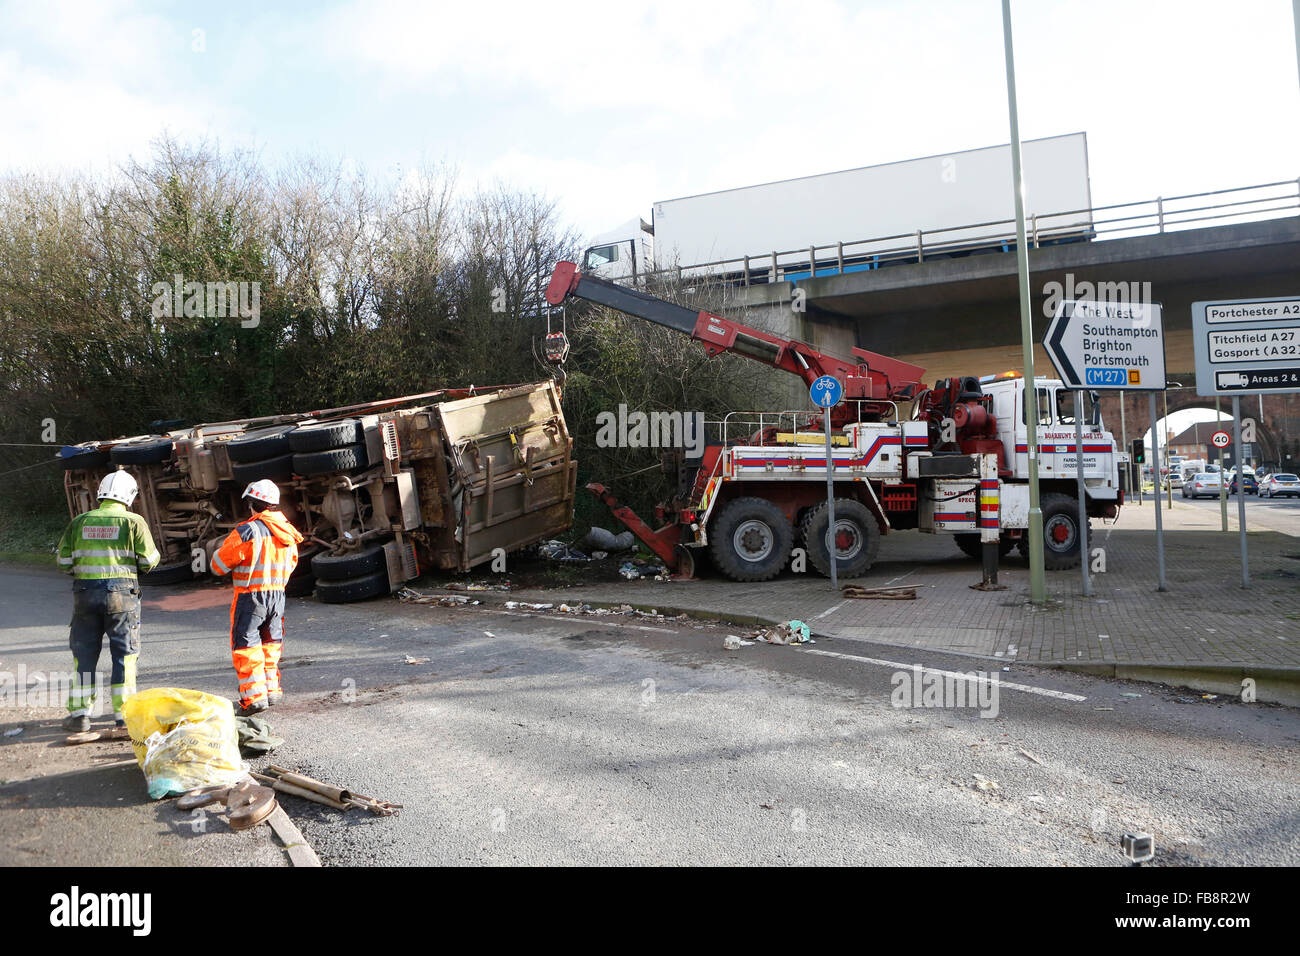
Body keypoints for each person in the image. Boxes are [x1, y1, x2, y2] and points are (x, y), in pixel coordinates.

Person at [56, 470, 160, 732]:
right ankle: (123, 716)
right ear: (130, 496)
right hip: (122, 598)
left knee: (84, 654)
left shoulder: (79, 521)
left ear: (100, 493)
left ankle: (80, 714)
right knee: (124, 655)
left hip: (85, 595)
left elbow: (64, 562)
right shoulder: (134, 522)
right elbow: (148, 561)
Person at [212, 479, 303, 716]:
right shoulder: (288, 531)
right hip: (278, 597)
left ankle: (253, 698)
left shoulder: (247, 531)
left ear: (252, 503)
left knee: (247, 647)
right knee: (271, 645)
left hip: (251, 597)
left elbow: (219, 565)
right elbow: (292, 563)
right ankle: (271, 691)